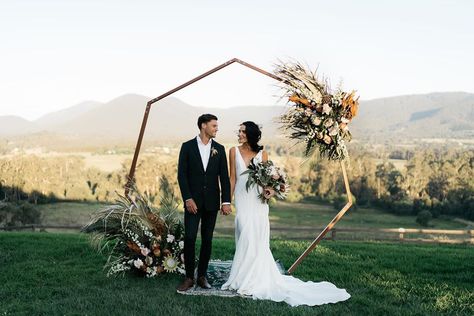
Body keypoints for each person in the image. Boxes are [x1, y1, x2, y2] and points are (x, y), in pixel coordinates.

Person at [221, 121, 351, 307]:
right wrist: (226, 201)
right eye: (239, 130)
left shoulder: (262, 154)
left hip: (258, 202)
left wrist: (270, 190)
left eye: (242, 131)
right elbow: (232, 178)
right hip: (242, 201)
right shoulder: (233, 151)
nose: (239, 134)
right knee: (244, 234)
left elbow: (267, 180)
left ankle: (252, 278)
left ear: (250, 134)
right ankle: (242, 275)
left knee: (255, 238)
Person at [177, 114, 231, 292]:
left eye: (216, 126)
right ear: (203, 126)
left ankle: (202, 276)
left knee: (207, 239)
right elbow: (182, 175)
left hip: (212, 203)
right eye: (214, 125)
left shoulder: (220, 149)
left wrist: (226, 201)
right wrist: (188, 198)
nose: (217, 128)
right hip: (192, 202)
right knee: (190, 238)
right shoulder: (187, 147)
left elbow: (224, 177)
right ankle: (188, 278)